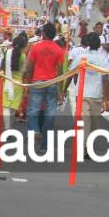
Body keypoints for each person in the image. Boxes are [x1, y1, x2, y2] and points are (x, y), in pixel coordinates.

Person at [23, 23, 66, 153]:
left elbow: (29, 67)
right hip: (52, 82)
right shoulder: (59, 50)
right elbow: (60, 72)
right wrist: (60, 91)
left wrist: (27, 84)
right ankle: (44, 145)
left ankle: (35, 130)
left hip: (37, 82)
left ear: (45, 33)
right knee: (50, 114)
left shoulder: (35, 47)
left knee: (33, 111)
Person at [78, 33, 109, 147]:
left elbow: (70, 73)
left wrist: (63, 90)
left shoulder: (81, 57)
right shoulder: (103, 60)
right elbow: (105, 79)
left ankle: (87, 146)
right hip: (96, 95)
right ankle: (85, 147)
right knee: (92, 124)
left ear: (88, 44)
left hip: (83, 94)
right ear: (99, 45)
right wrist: (106, 99)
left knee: (87, 123)